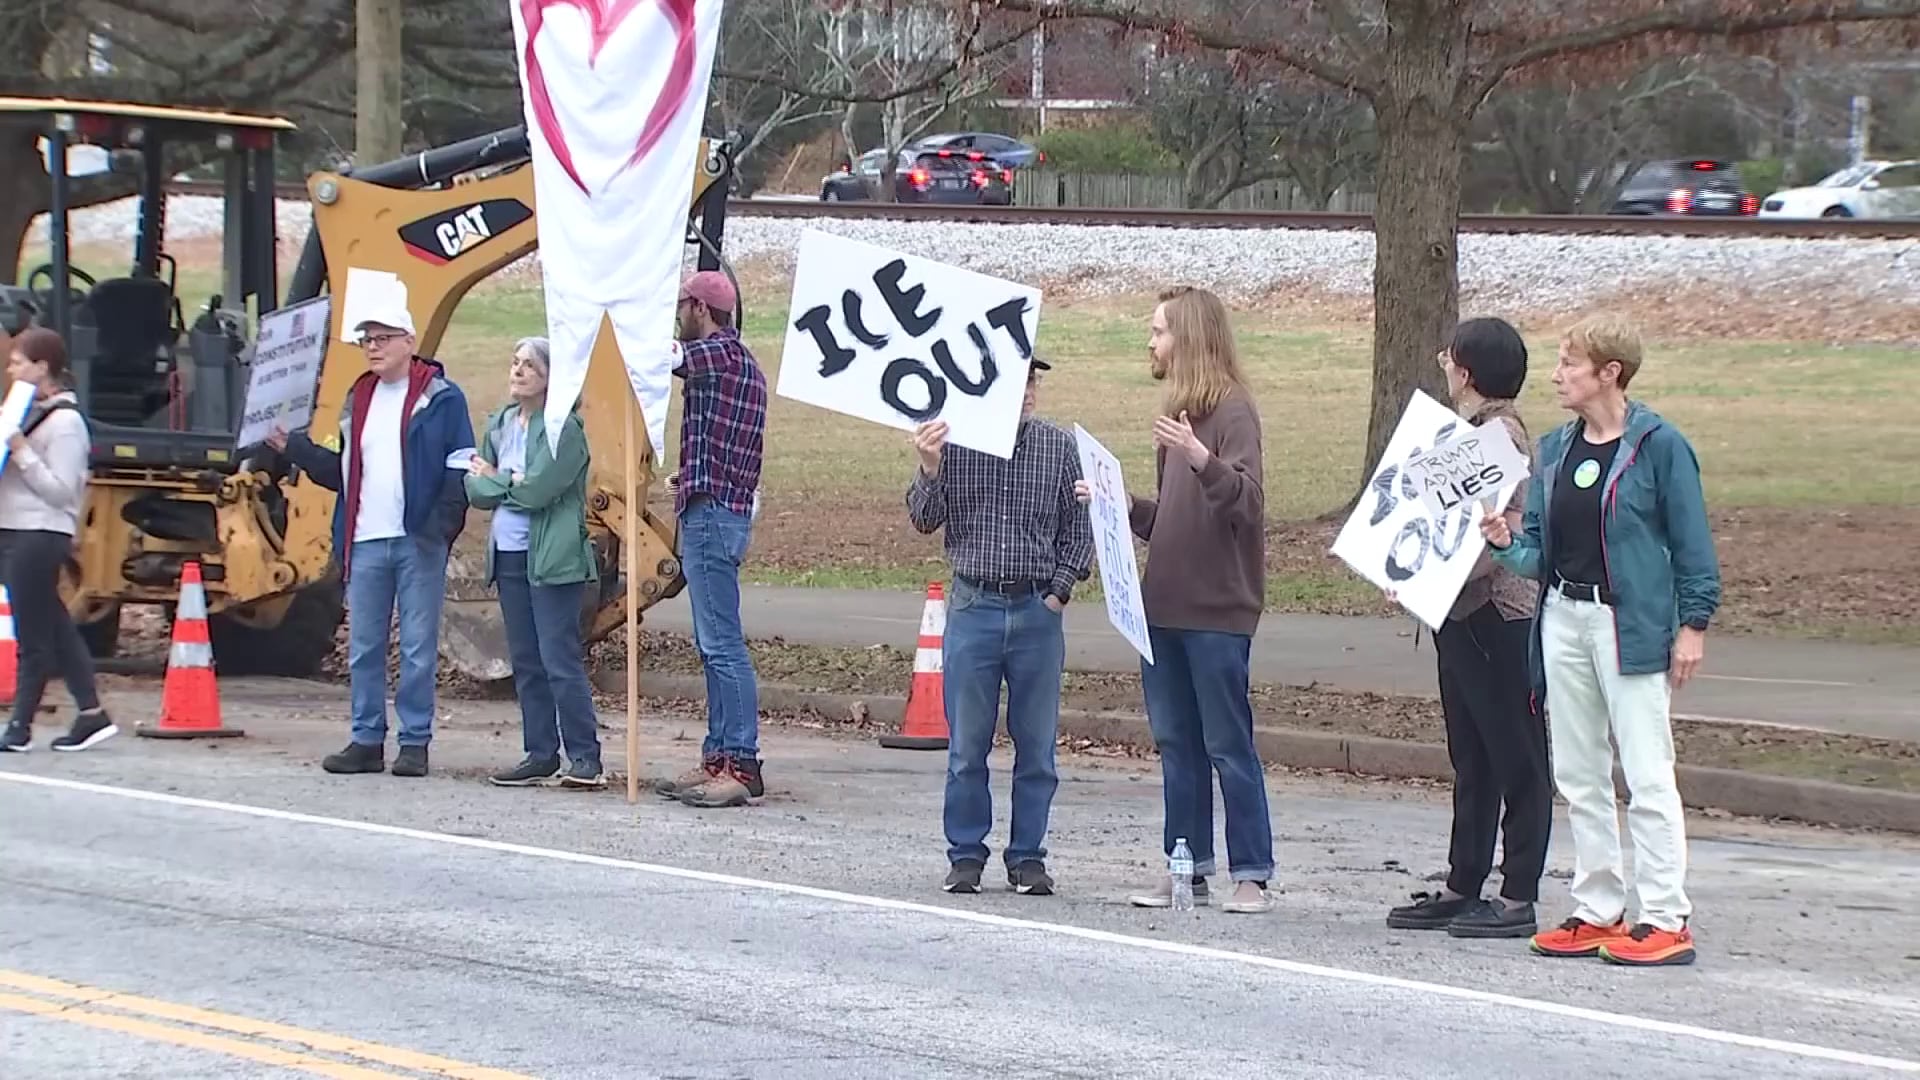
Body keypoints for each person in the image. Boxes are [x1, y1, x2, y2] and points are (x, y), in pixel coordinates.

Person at [1481, 312, 1721, 968]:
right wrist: (1507, 546)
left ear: (1610, 373)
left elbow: (1692, 544)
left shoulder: (1659, 447)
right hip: (1563, 616)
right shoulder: (1556, 449)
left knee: (1645, 770)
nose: (1556, 374)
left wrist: (1692, 625)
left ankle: (1665, 916)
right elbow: (1538, 552)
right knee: (1579, 772)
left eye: (1570, 363)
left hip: (1630, 625)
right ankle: (1597, 906)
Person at [1085, 285, 1276, 915]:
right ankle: (1184, 864)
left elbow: (1246, 505)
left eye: (1160, 330)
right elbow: (1171, 517)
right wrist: (1119, 504)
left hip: (1217, 613)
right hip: (1161, 608)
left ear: (1188, 338)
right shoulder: (1176, 422)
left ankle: (1251, 872)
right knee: (1176, 745)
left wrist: (1200, 456)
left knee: (1228, 744)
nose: (1151, 342)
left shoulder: (1232, 413)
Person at [1384, 317, 1550, 940]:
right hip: (1459, 614)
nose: (1443, 362)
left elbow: (1494, 528)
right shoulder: (1469, 432)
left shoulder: (1500, 434)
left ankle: (1516, 891)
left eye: (1450, 356)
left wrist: (1433, 573)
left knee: (1516, 753)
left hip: (1496, 615)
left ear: (1469, 371)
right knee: (1472, 753)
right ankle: (1465, 880)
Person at [906, 357, 1094, 896]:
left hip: (1035, 608)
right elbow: (923, 518)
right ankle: (965, 853)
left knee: (1037, 747)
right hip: (975, 606)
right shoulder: (957, 444)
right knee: (968, 744)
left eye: (1033, 382)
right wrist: (930, 467)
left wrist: (1059, 590)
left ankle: (1028, 856)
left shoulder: (1057, 447)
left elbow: (1078, 525)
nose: (1028, 392)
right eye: (1017, 382)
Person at [271, 304, 475, 778]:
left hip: (416, 538)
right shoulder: (357, 397)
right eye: (367, 340)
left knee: (417, 645)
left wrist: (444, 523)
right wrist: (296, 449)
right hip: (364, 537)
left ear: (409, 339)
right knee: (364, 644)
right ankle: (366, 738)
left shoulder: (442, 397)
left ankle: (414, 741)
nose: (373, 347)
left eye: (382, 338)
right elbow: (345, 473)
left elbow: (460, 463)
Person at [652, 270, 769, 810]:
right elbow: (722, 444)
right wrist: (690, 477)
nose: (678, 312)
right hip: (717, 503)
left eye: (681, 304)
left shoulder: (719, 354)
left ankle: (741, 761)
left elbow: (667, 356)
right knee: (712, 643)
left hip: (712, 516)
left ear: (700, 307)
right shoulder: (738, 365)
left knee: (722, 643)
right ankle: (719, 755)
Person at [466, 337, 605, 790]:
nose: (518, 371)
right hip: (508, 554)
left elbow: (539, 491)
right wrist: (503, 481)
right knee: (525, 660)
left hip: (552, 557)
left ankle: (584, 756)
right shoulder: (501, 423)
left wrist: (497, 480)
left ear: (552, 379)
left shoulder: (565, 429)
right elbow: (474, 490)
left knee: (557, 657)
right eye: (515, 363)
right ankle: (539, 752)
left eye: (530, 365)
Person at [0, 328, 116, 753]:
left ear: (42, 367)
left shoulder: (66, 423)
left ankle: (20, 727)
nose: (11, 369)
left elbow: (62, 491)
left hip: (40, 532)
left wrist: (21, 452)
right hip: (14, 528)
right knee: (55, 625)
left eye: (18, 362)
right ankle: (91, 713)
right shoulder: (28, 412)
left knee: (34, 634)